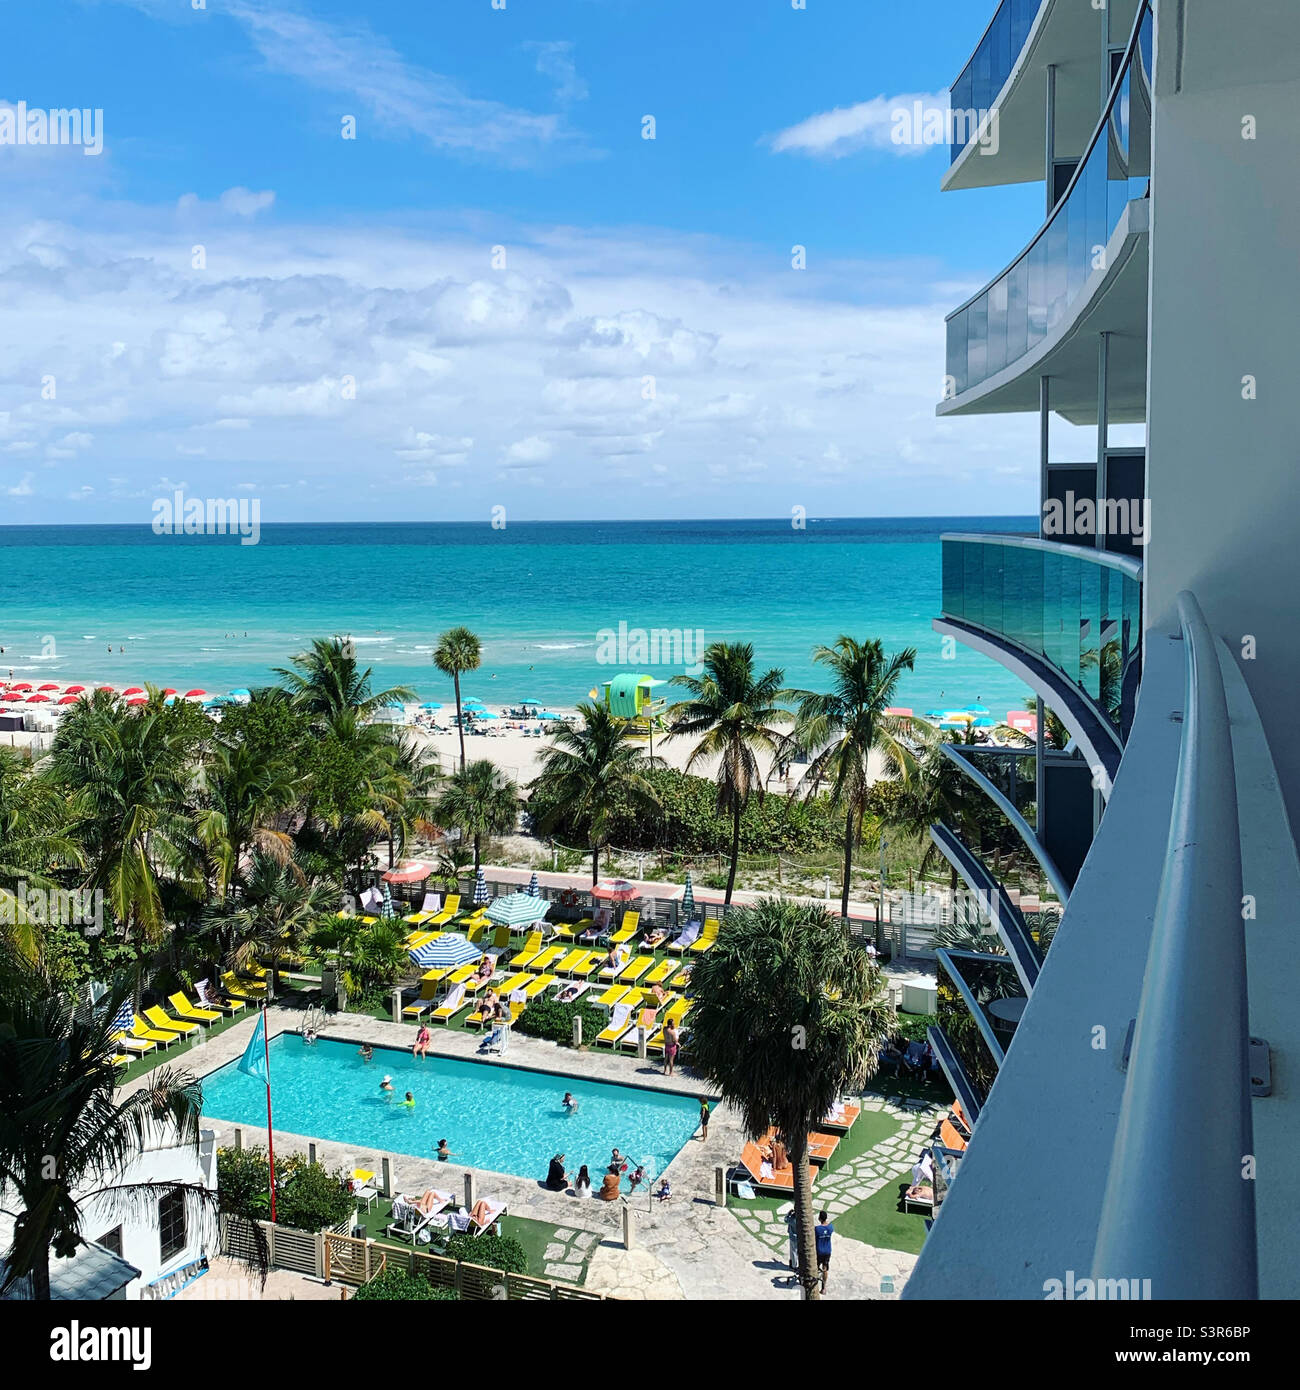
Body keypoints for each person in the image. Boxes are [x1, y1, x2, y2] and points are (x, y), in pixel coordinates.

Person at [814, 1210, 834, 1295]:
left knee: (815, 1268)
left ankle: (814, 1285)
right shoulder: (831, 1227)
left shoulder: (817, 1229)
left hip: (819, 1252)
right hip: (827, 1251)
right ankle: (824, 1288)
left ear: (819, 1218)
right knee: (825, 1269)